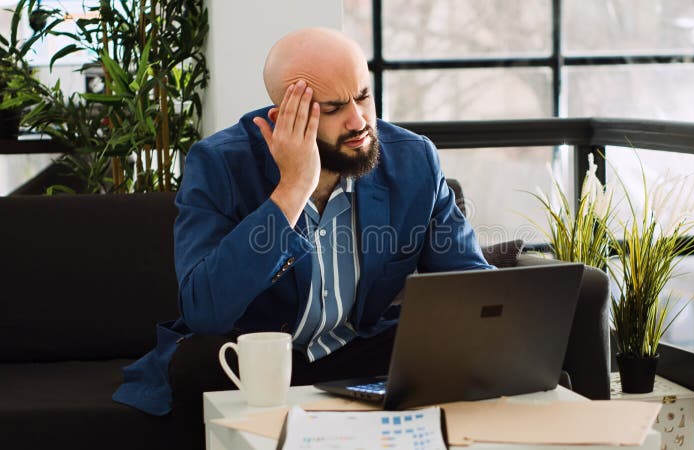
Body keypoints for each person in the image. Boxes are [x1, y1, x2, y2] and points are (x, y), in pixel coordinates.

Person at [112, 27, 490, 429]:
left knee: (449, 352)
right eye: (332, 109)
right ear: (282, 118)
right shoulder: (220, 164)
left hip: (355, 347)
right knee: (193, 365)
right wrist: (292, 189)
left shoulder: (414, 160)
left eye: (363, 96)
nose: (359, 120)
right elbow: (204, 311)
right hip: (253, 355)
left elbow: (470, 283)